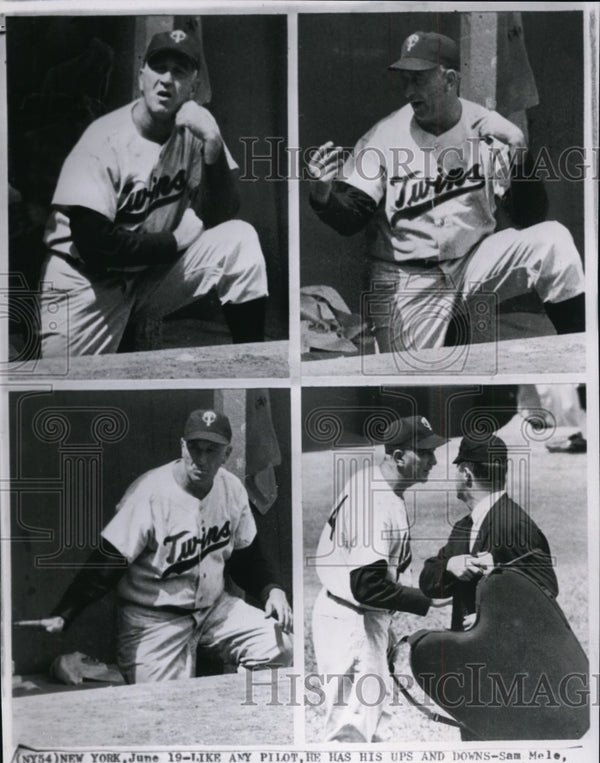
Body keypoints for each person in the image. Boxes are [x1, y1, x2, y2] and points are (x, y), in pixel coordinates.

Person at [307, 31, 585, 353]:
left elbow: (530, 216)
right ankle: (452, 334)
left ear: (450, 80)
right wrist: (323, 194)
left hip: (472, 263)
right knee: (413, 385)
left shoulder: (487, 128)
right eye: (404, 80)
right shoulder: (383, 137)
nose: (409, 91)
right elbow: (350, 219)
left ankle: (580, 359)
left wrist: (519, 150)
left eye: (419, 80)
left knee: (553, 240)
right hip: (407, 279)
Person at [38, 28, 269, 357]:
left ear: (194, 85)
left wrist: (214, 146)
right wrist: (174, 241)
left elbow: (223, 212)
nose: (166, 79)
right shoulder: (103, 139)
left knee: (240, 239)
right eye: (159, 67)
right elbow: (95, 243)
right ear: (141, 77)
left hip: (146, 278)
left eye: (179, 71)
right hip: (85, 283)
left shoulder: (197, 131)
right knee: (64, 395)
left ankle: (252, 363)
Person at [30, 408, 293, 684]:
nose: (200, 459)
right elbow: (106, 563)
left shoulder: (232, 489)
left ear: (226, 454)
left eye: (211, 450)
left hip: (214, 610)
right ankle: (94, 670)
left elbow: (246, 557)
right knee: (162, 705)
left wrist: (271, 589)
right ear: (183, 446)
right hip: (154, 621)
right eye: (194, 448)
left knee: (280, 644)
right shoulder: (150, 492)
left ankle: (235, 719)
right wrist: (65, 613)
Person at [311, 415, 447, 742]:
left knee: (374, 727)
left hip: (359, 616)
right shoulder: (375, 502)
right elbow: (367, 585)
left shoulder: (373, 481)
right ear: (399, 457)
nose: (434, 460)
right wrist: (425, 600)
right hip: (352, 620)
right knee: (352, 733)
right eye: (424, 452)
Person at [419, 432, 558, 633]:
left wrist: (494, 617)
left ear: (466, 474)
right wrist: (450, 565)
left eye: (457, 469)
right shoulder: (465, 526)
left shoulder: (513, 524)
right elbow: (428, 582)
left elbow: (547, 593)